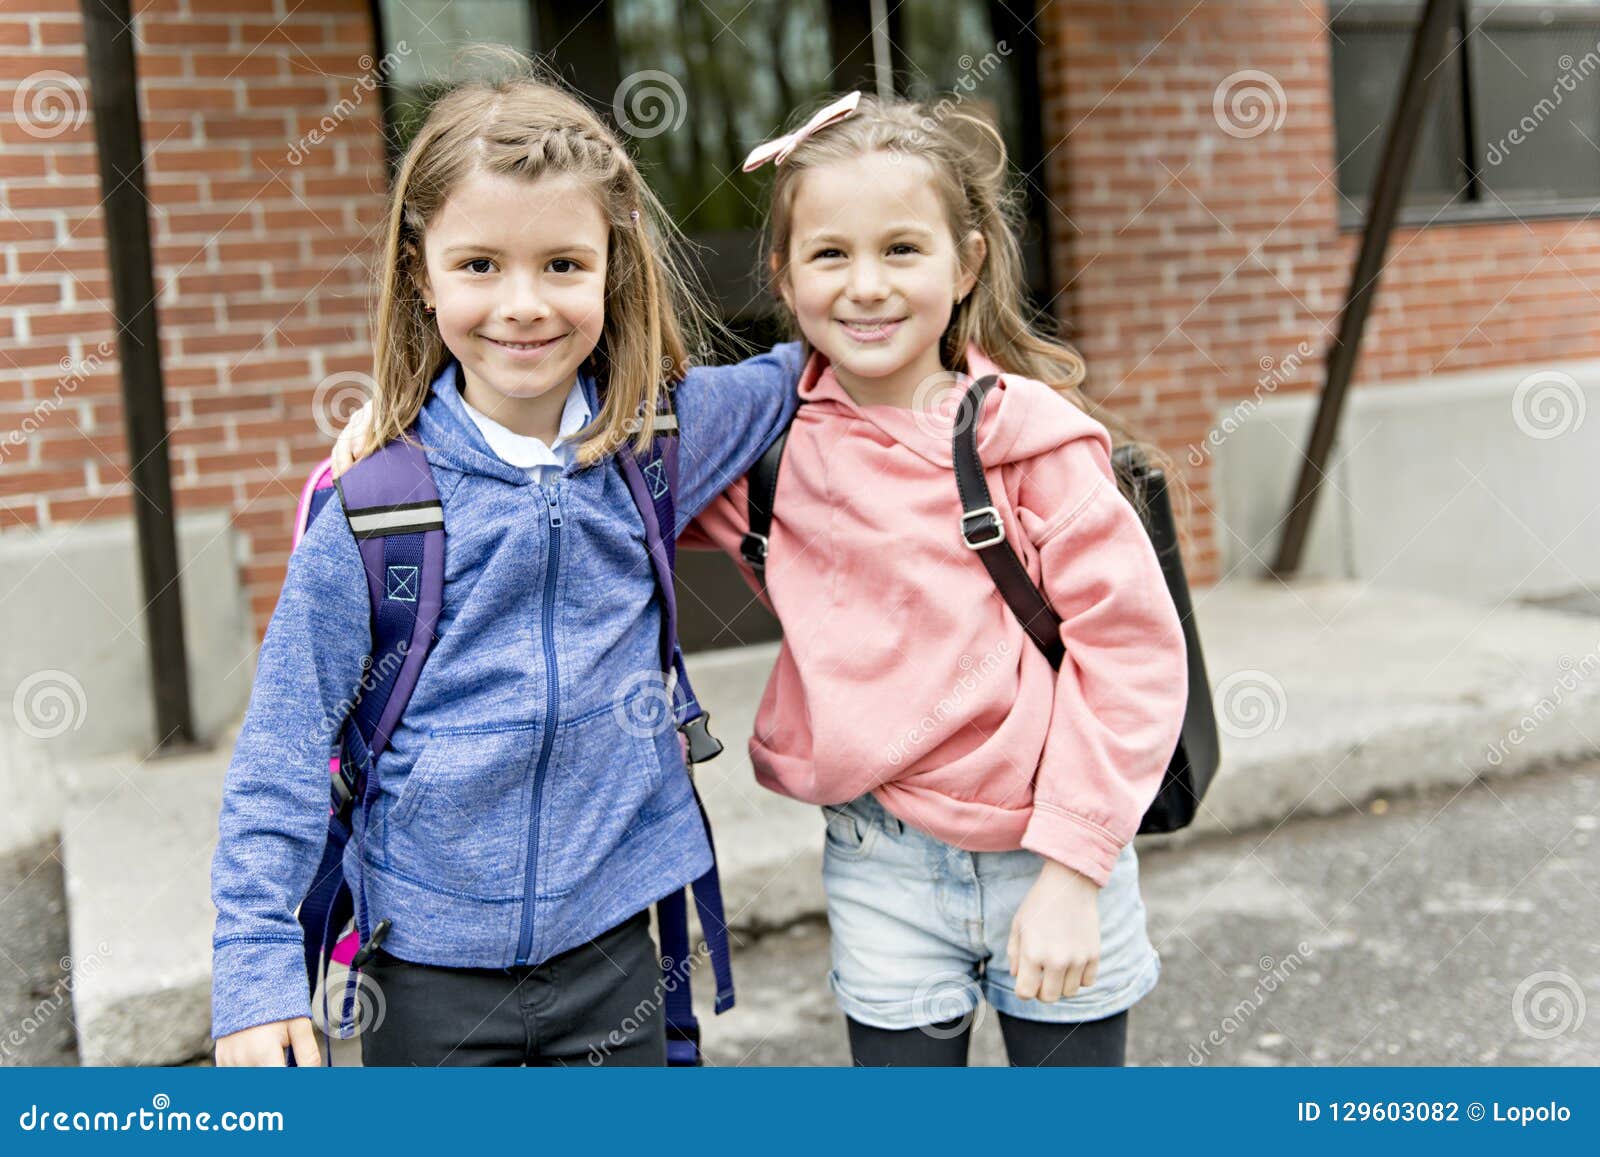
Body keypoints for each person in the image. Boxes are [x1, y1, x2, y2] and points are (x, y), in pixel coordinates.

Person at [209, 59, 800, 1067]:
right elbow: (277, 754)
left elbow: (816, 358)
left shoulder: (659, 438)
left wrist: (833, 169)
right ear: (419, 272)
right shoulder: (374, 506)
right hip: (425, 974)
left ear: (612, 267)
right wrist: (255, 973)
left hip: (619, 950)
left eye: (562, 265)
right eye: (479, 264)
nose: (522, 305)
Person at [680, 92, 1190, 1066]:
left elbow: (1128, 654)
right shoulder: (770, 455)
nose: (865, 284)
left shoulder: (1029, 440)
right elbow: (603, 455)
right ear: (783, 277)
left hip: (1055, 843)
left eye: (901, 250)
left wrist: (1075, 869)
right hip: (880, 860)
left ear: (966, 261)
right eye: (830, 254)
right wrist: (404, 428)